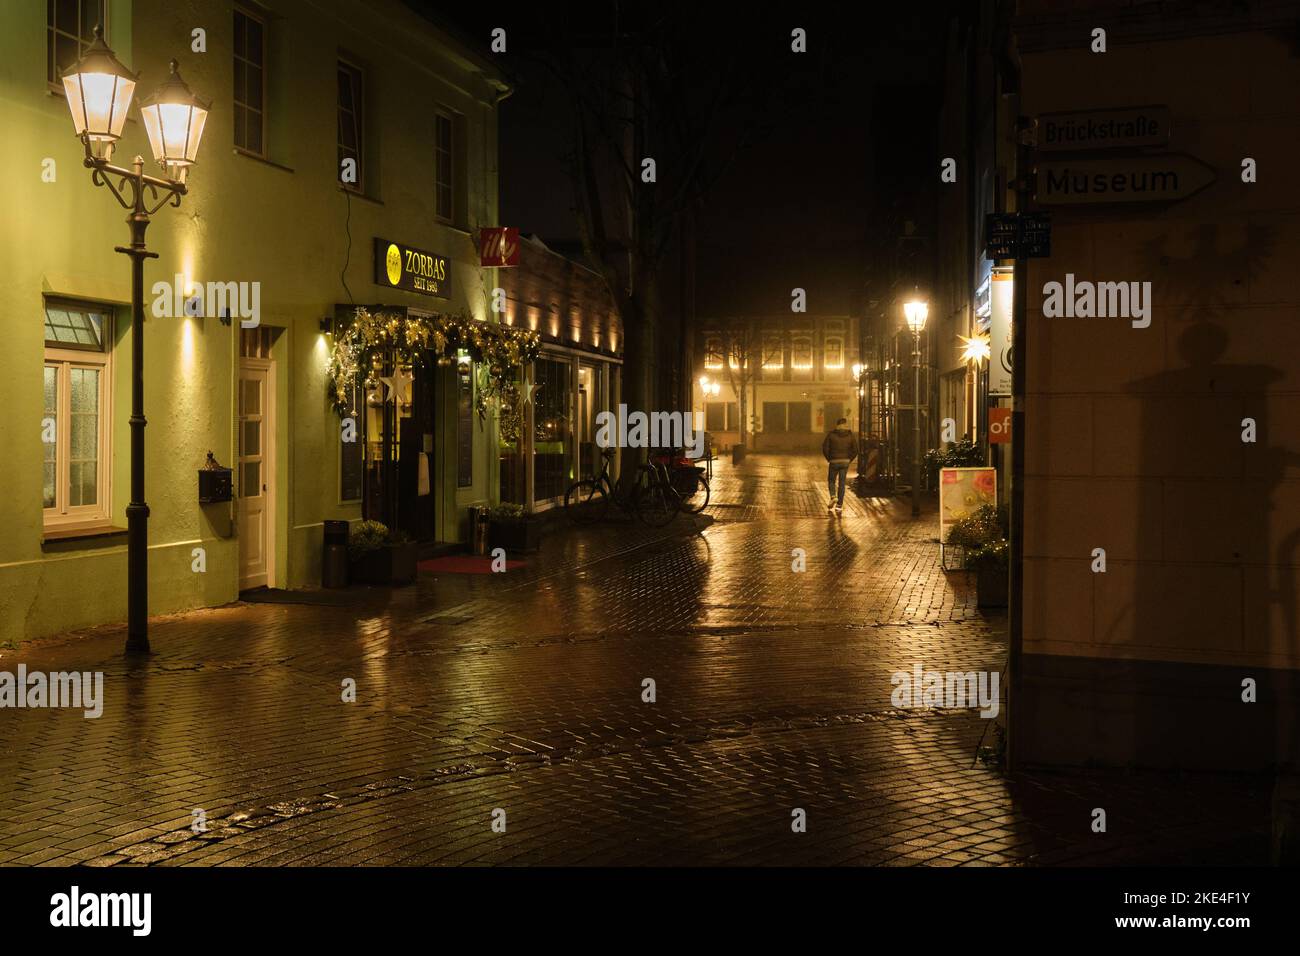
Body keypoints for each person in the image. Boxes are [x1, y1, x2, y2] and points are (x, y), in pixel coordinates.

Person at [822, 417, 855, 513]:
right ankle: (839, 506)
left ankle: (833, 496)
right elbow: (855, 449)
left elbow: (825, 448)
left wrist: (829, 458)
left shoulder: (831, 435)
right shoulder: (850, 435)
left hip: (834, 461)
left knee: (831, 480)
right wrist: (849, 460)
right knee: (842, 483)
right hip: (845, 462)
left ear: (837, 426)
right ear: (845, 425)